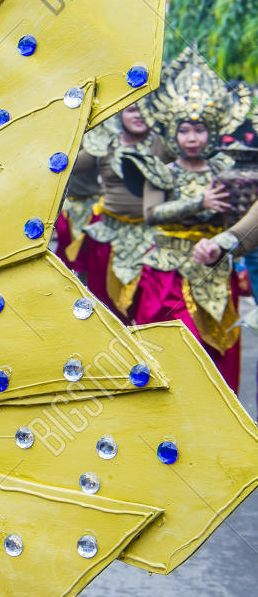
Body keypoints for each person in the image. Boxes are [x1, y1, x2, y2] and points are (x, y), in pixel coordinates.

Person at [124, 48, 253, 391]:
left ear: (211, 133)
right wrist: (199, 201)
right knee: (168, 350)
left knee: (214, 356)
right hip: (164, 273)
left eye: (199, 131)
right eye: (184, 131)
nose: (192, 139)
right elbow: (151, 215)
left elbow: (243, 216)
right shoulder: (162, 172)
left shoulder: (225, 170)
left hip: (213, 269)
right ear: (173, 134)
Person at [74, 102, 169, 318]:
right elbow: (69, 166)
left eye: (146, 108)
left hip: (152, 243)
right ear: (120, 114)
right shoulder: (104, 145)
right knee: (105, 313)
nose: (140, 115)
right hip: (108, 240)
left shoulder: (164, 146)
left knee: (151, 316)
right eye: (132, 109)